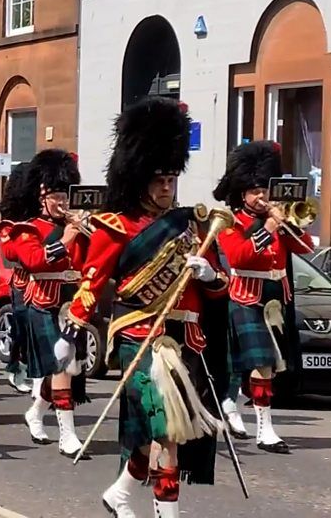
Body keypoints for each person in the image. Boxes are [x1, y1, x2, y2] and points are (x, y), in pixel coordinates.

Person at [65, 97, 226, 517]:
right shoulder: (114, 226)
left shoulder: (192, 225)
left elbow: (219, 286)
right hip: (141, 335)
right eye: (159, 180)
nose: (167, 188)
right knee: (167, 430)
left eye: (172, 179)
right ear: (138, 178)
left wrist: (208, 276)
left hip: (185, 336)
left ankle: (119, 493)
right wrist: (75, 328)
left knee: (153, 435)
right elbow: (93, 279)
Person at [213, 140, 314, 454]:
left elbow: (307, 248)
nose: (262, 197)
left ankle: (234, 399)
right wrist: (269, 226)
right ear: (242, 193)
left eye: (265, 191)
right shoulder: (231, 224)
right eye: (255, 191)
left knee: (272, 364)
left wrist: (288, 225)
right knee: (262, 362)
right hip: (246, 297)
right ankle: (265, 429)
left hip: (276, 299)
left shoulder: (281, 222)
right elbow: (240, 256)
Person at [12, 150, 90, 456]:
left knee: (65, 368)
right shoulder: (28, 229)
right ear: (41, 198)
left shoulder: (78, 227)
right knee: (62, 366)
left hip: (72, 303)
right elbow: (34, 261)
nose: (62, 202)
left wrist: (90, 235)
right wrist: (68, 238)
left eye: (64, 195)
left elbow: (88, 265)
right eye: (55, 196)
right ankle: (67, 434)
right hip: (43, 302)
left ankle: (36, 413)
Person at [0, 162, 37, 394]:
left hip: (47, 283)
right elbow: (10, 254)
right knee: (22, 328)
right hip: (23, 281)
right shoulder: (12, 221)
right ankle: (16, 366)